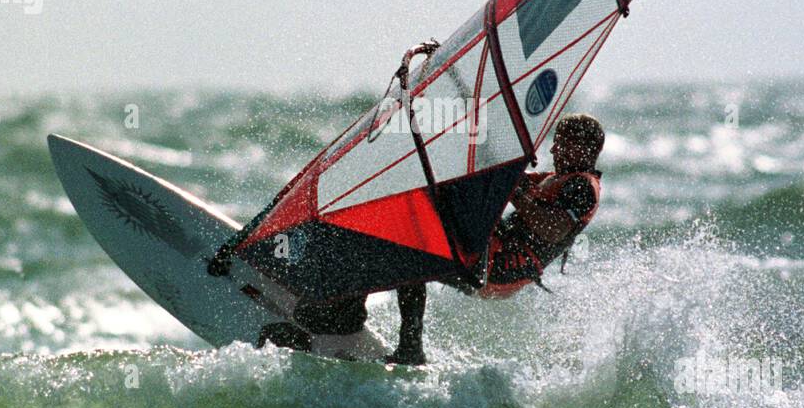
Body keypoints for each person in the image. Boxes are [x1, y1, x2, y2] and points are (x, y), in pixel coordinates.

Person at [249, 112, 605, 365]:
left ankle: (396, 342)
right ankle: (346, 312)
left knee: (415, 247)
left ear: (585, 150)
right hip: (490, 255)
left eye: (563, 144)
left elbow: (552, 227)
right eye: (555, 142)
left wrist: (510, 186)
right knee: (409, 232)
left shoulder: (582, 188)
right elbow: (494, 174)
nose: (555, 150)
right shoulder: (551, 178)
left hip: (500, 268)